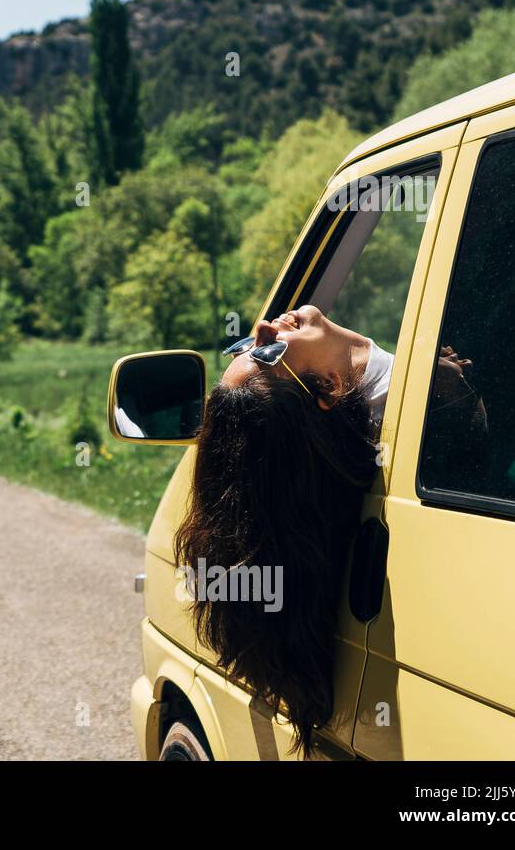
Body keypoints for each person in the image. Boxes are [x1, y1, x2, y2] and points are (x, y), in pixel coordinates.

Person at [178, 304, 482, 758]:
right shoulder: (438, 396)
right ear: (330, 388)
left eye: (243, 347)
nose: (260, 327)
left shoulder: (411, 394)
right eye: (267, 353)